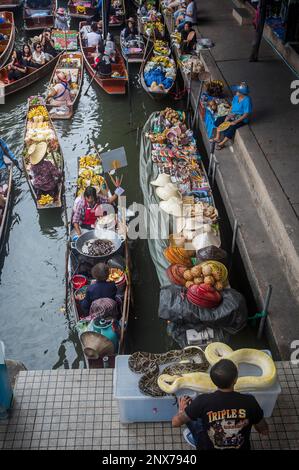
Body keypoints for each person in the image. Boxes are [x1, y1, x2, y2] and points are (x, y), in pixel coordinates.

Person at [172, 358, 269, 450]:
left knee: (190, 409)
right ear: (235, 379)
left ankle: (197, 440)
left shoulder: (202, 401)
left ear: (213, 381)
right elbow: (264, 431)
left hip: (208, 446)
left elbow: (175, 423)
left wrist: (181, 410)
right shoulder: (250, 401)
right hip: (239, 445)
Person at [212, 82, 253, 150]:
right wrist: (228, 115)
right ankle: (217, 138)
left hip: (241, 118)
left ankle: (222, 143)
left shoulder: (247, 100)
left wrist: (236, 121)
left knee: (232, 127)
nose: (236, 92)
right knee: (219, 120)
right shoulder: (236, 97)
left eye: (238, 91)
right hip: (232, 115)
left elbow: (246, 114)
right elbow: (232, 107)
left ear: (242, 93)